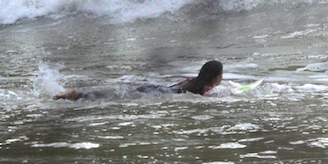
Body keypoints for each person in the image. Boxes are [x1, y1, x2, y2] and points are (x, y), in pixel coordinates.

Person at [54, 60, 224, 100]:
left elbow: (174, 87)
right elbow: (211, 97)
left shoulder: (191, 80)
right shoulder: (207, 89)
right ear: (217, 77)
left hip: (156, 87)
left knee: (120, 92)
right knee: (117, 96)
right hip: (158, 94)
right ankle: (77, 95)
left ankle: (77, 93)